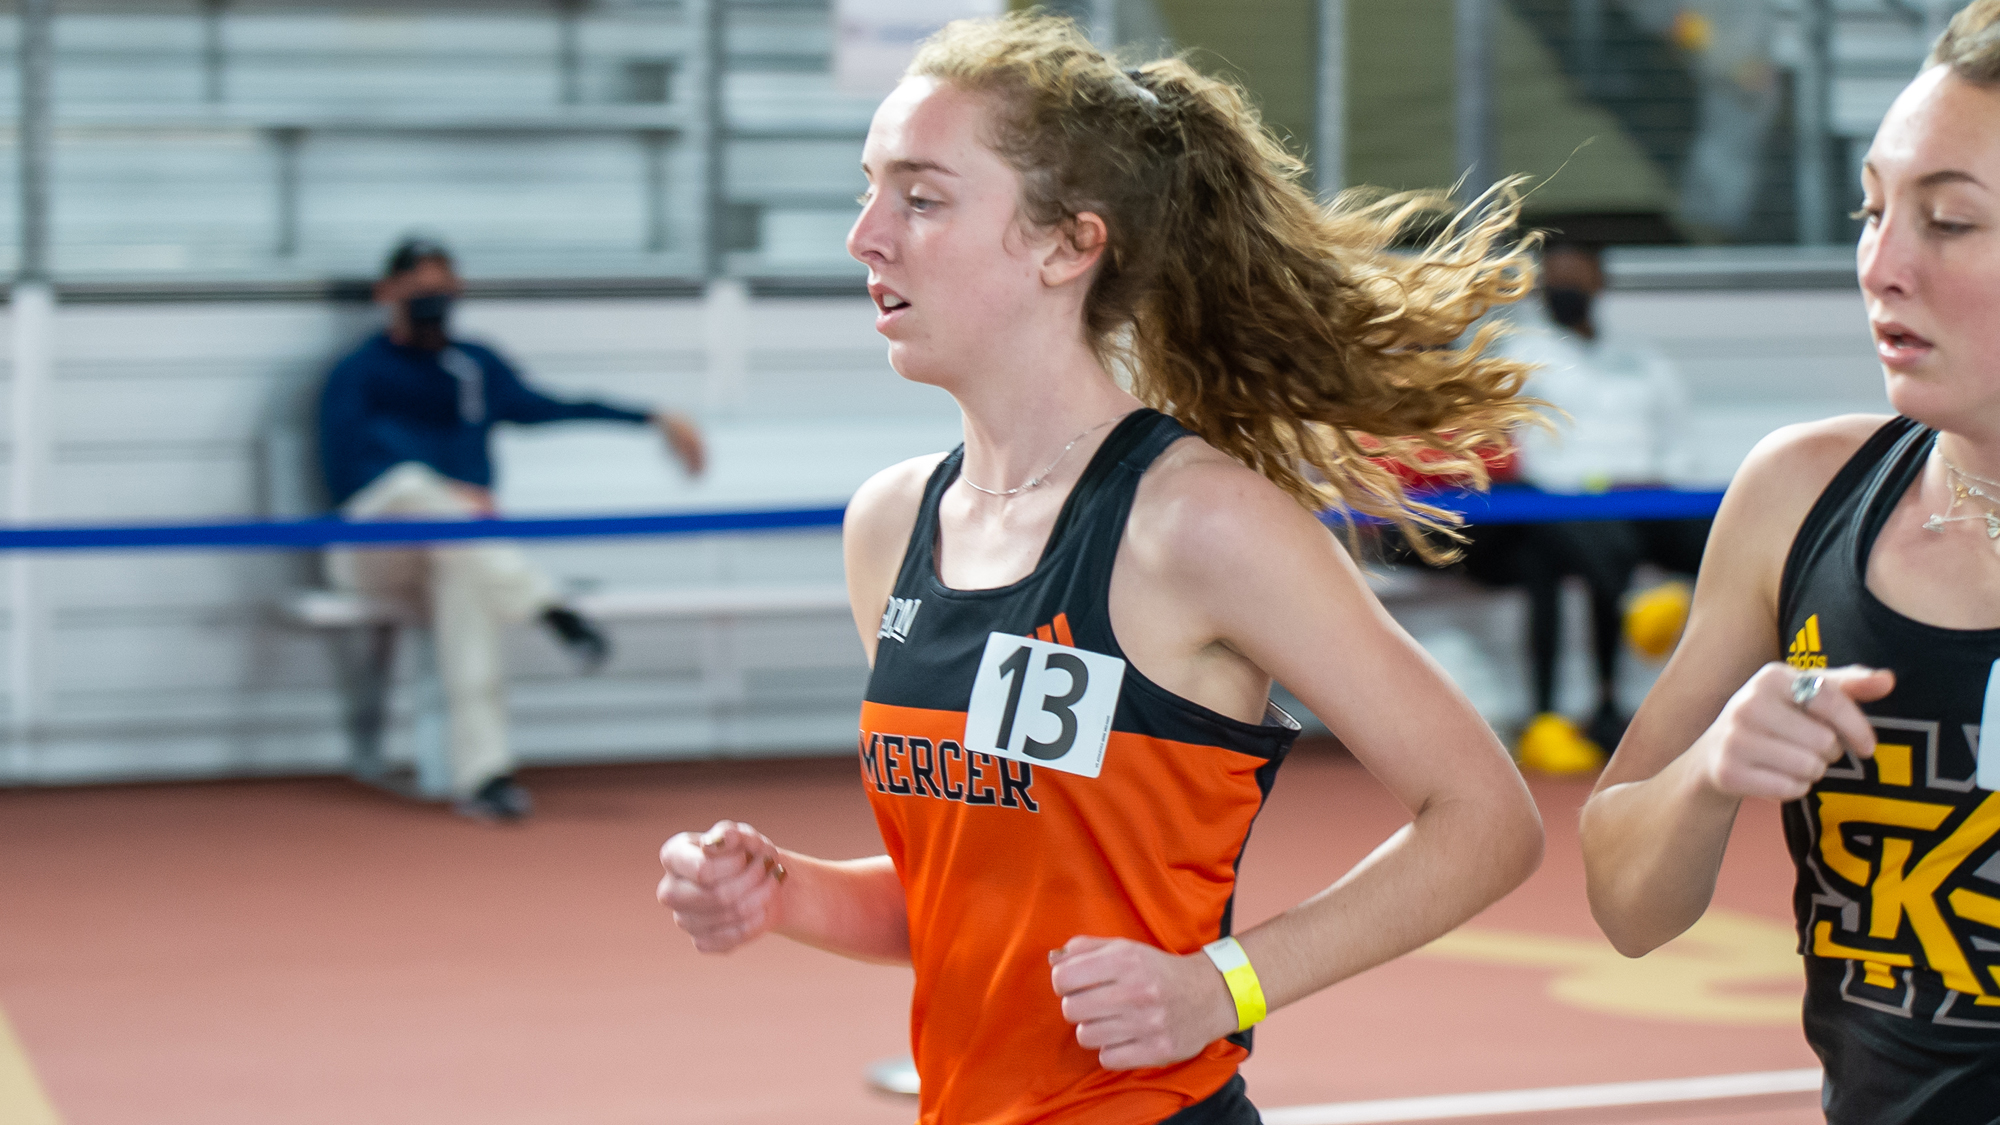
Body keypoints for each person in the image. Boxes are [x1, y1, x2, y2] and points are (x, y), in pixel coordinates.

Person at [657, 16, 1543, 1124]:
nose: (865, 237)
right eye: (867, 190)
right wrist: (779, 893)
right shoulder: (889, 525)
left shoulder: (1196, 525)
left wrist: (1220, 987)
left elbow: (1485, 820)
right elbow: (967, 900)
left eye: (920, 199)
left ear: (1067, 246)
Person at [1580, 6, 2000, 1120]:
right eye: (1872, 210)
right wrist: (1716, 764)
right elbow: (1624, 900)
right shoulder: (1799, 495)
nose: (1881, 264)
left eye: (1948, 221)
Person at [318, 237, 705, 822]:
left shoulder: (473, 366)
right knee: (410, 489)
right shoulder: (356, 373)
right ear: (387, 293)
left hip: (461, 553)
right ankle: (551, 607)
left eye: (443, 288)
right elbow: (345, 472)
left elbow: (552, 406)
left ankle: (485, 777)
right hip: (372, 553)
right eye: (419, 288)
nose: (434, 300)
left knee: (466, 580)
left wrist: (652, 417)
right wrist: (447, 496)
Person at [1474, 239, 1711, 773]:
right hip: (1561, 505)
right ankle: (1611, 681)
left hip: (1650, 498)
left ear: (1600, 284)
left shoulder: (1643, 362)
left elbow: (1680, 444)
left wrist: (1665, 484)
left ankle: (1715, 696)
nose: (1565, 291)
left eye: (1576, 279)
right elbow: (1511, 448)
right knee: (1596, 543)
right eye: (1554, 280)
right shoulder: (1517, 357)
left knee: (1724, 537)